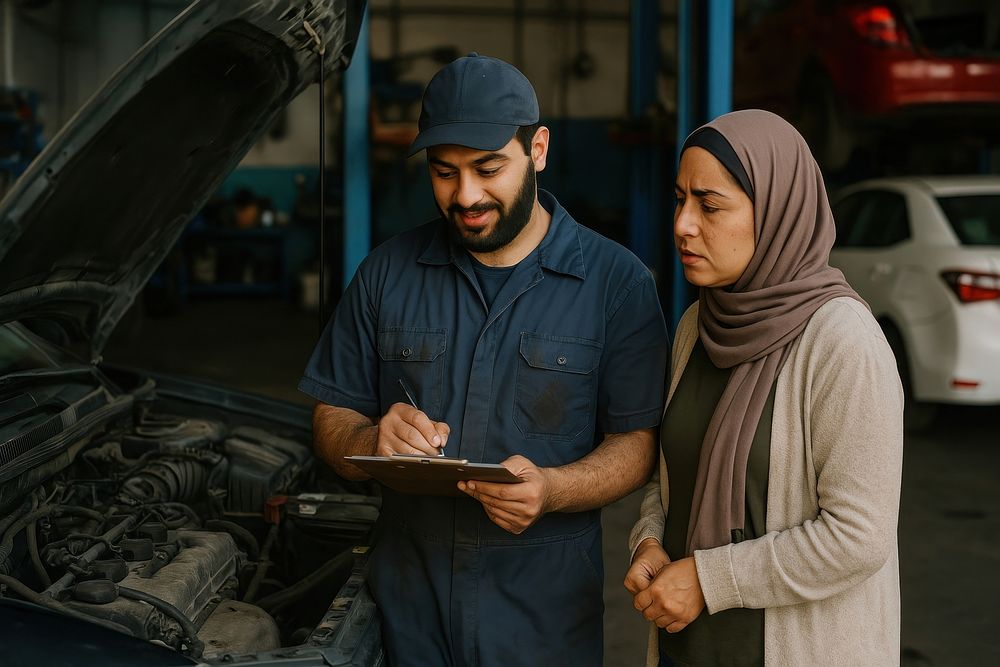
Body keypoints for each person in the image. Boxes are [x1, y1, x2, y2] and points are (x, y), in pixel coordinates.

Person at [299, 53, 669, 666]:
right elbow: (329, 416)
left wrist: (552, 489)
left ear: (539, 149)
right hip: (407, 618)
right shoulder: (386, 274)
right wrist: (371, 439)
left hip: (543, 622)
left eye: (488, 168)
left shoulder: (616, 283)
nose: (465, 195)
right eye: (444, 173)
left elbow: (638, 444)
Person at [625, 109, 903, 666]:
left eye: (709, 205)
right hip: (690, 646)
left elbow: (857, 537)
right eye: (680, 200)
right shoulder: (696, 328)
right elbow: (673, 475)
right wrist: (648, 539)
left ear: (777, 212)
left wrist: (710, 579)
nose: (683, 223)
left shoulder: (841, 340)